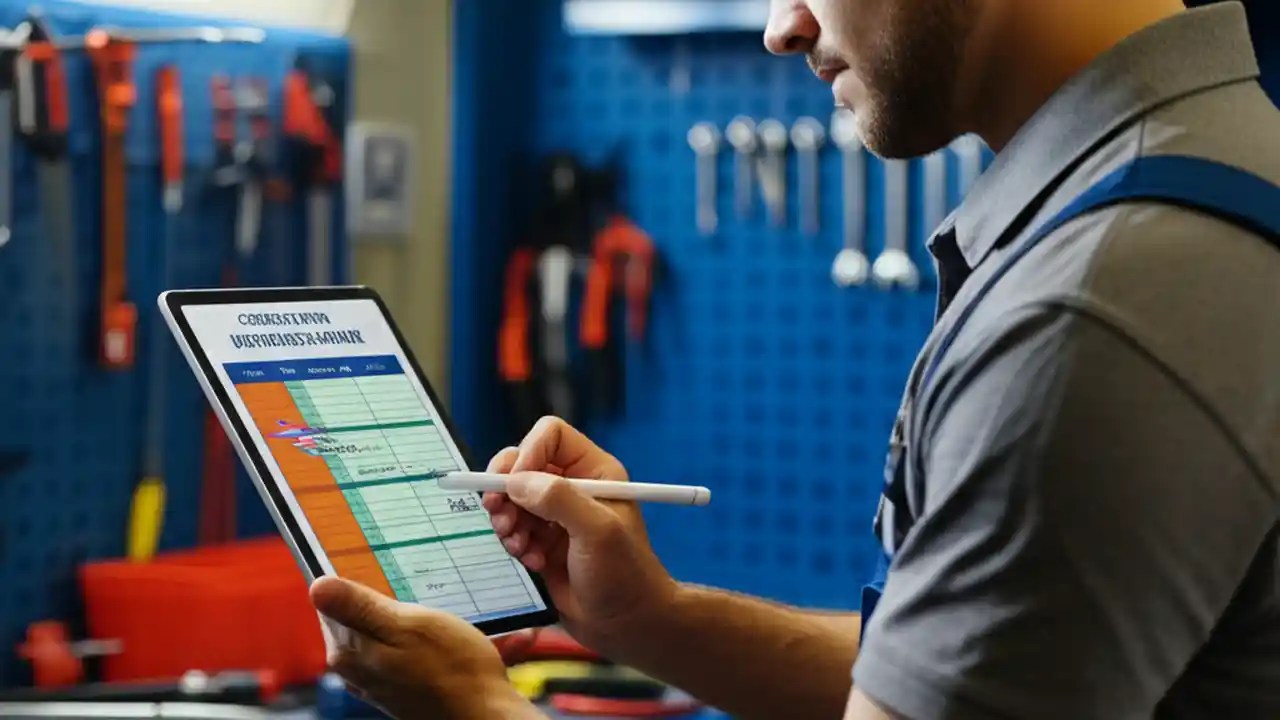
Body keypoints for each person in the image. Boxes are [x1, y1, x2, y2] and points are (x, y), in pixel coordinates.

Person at [309, 0, 1280, 717]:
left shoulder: (1091, 309)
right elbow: (965, 680)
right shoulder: (1210, 171)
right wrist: (652, 619)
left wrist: (478, 711)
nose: (780, 25)